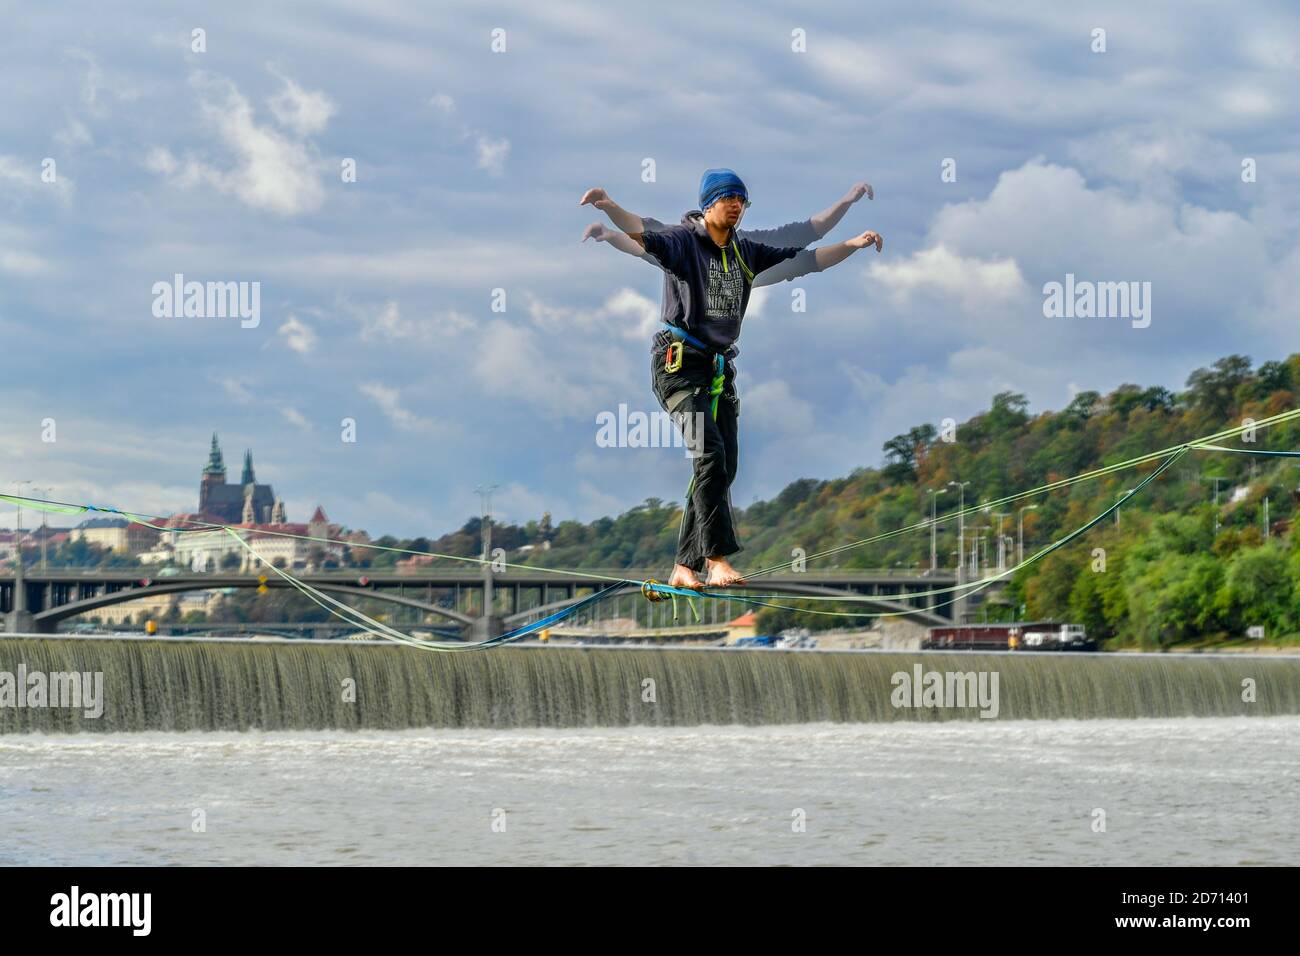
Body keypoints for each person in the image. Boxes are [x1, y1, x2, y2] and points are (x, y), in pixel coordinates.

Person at [580, 169, 883, 590]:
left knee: (724, 466)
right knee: (710, 454)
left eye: (742, 199)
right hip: (677, 366)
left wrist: (852, 237)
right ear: (708, 205)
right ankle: (715, 558)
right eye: (728, 199)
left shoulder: (746, 251)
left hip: (719, 371)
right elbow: (640, 233)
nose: (737, 205)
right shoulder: (682, 242)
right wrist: (609, 206)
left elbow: (808, 248)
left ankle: (684, 567)